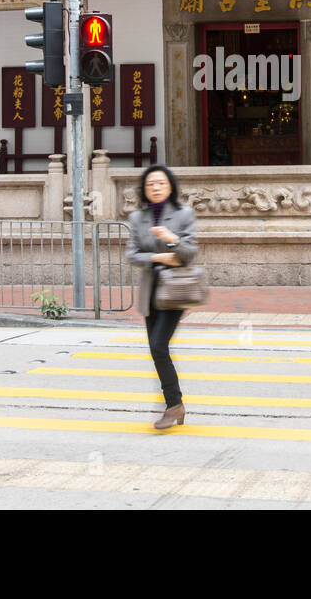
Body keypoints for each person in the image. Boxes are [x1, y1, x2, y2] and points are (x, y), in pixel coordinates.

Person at [126, 164, 198, 430]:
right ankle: (174, 405)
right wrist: (157, 256)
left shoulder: (183, 215)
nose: (156, 187)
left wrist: (173, 240)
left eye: (161, 183)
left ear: (170, 186)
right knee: (157, 351)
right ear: (145, 189)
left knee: (158, 345)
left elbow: (190, 253)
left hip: (175, 291)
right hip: (151, 291)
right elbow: (132, 254)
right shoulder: (138, 218)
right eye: (151, 184)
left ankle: (174, 405)